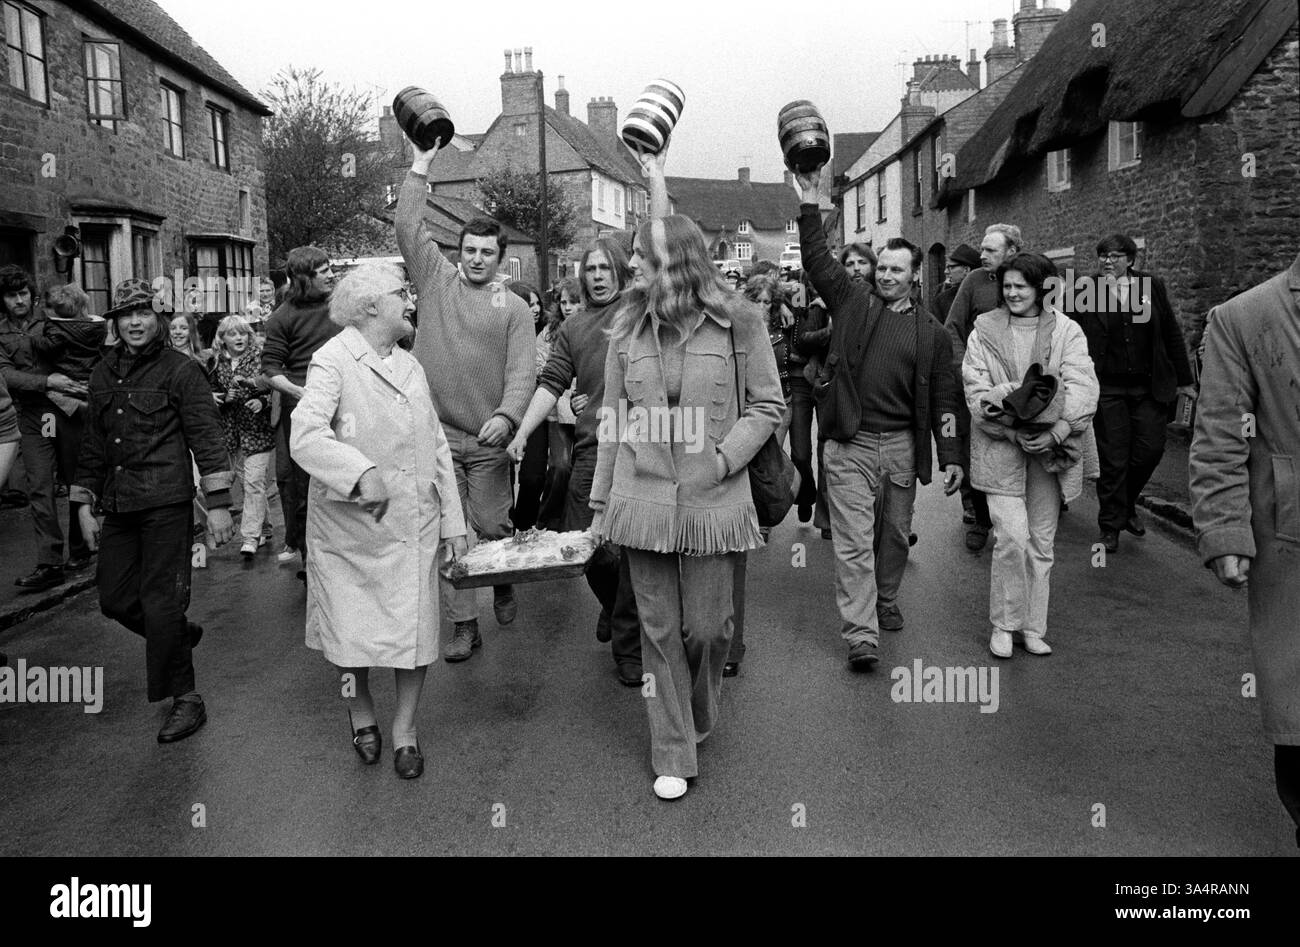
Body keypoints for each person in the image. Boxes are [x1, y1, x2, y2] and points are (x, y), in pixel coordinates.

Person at [589, 212, 784, 801]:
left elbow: (769, 406)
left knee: (707, 629)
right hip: (641, 498)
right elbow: (613, 422)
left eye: (641, 260)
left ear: (674, 264)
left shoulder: (739, 323)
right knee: (658, 628)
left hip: (714, 499)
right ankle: (671, 747)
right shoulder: (625, 330)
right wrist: (600, 505)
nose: (630, 268)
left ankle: (695, 716)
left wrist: (725, 460)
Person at [290, 264, 467, 779]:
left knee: (414, 634)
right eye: (400, 293)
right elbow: (305, 435)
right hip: (351, 530)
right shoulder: (332, 360)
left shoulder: (411, 366)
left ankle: (405, 731)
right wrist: (360, 471)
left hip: (413, 525)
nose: (409, 300)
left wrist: (454, 521)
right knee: (350, 635)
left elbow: (435, 447)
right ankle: (361, 713)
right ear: (371, 307)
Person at [794, 166, 963, 669]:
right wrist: (809, 203)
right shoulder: (850, 301)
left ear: (915, 275)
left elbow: (947, 401)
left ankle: (886, 597)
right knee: (851, 544)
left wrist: (951, 453)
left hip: (902, 447)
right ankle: (861, 633)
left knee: (893, 536)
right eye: (882, 268)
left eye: (896, 270)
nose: (886, 276)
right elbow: (817, 259)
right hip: (850, 443)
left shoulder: (932, 335)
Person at [72, 279, 235, 743]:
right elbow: (93, 445)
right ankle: (178, 635)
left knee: (162, 603)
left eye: (143, 313)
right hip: (120, 504)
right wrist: (84, 504)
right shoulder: (102, 374)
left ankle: (186, 699)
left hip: (167, 501)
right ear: (115, 323)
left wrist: (219, 506)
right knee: (115, 599)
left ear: (159, 318)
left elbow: (207, 437)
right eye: (125, 316)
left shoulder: (181, 371)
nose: (134, 323)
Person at [397, 136, 535, 663]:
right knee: (449, 533)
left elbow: (522, 373)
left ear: (501, 259)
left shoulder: (514, 308)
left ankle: (501, 578)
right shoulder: (435, 281)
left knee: (493, 525)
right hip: (438, 438)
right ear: (458, 253)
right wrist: (421, 165)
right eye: (469, 251)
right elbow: (409, 227)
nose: (476, 260)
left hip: (487, 437)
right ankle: (463, 625)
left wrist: (508, 416)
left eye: (487, 253)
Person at [1189, 252, 1300, 848]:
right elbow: (1221, 432)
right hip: (1291, 539)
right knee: (1298, 710)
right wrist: (1225, 529)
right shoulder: (1244, 317)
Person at [507, 239, 644, 686]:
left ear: (622, 271)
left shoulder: (640, 312)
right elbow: (550, 383)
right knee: (590, 549)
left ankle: (629, 644)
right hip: (592, 450)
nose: (599, 276)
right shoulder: (575, 327)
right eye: (591, 269)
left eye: (606, 268)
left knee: (638, 552)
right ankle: (614, 606)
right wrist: (524, 432)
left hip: (645, 448)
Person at [962, 253, 1099, 658]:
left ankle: (1032, 627)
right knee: (1011, 537)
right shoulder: (982, 332)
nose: (1013, 292)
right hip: (1001, 448)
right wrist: (1008, 426)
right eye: (1007, 285)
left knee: (1041, 542)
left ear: (1041, 287)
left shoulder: (1066, 330)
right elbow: (976, 391)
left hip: (1051, 454)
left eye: (1021, 285)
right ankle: (1004, 625)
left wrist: (1058, 430)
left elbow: (1082, 384)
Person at [1065, 234, 1197, 553]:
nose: (1107, 261)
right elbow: (1065, 330)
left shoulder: (1151, 287)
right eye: (1102, 256)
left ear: (1130, 259)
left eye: (1114, 256)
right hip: (1107, 388)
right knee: (1113, 459)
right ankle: (1110, 526)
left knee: (1150, 450)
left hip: (1148, 387)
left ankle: (1124, 506)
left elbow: (1171, 334)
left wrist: (1185, 379)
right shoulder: (1085, 289)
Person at [0, 266, 93, 591]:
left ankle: (81, 549)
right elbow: (5, 374)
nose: (19, 301)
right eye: (11, 296)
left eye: (23, 293)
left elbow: (85, 347)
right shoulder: (0, 333)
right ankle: (49, 563)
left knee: (76, 480)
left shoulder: (53, 320)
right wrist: (45, 381)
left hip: (67, 411)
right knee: (39, 487)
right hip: (33, 416)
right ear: (4, 300)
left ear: (32, 295)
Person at [261, 247, 341, 577]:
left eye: (330, 268)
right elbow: (270, 367)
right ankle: (313, 563)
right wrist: (298, 391)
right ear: (303, 278)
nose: (331, 275)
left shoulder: (342, 305)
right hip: (304, 406)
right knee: (306, 488)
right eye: (323, 271)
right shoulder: (282, 316)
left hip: (347, 401)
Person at [945, 225, 1023, 552]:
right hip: (978, 382)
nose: (982, 255)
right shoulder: (974, 281)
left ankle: (1018, 515)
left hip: (1021, 384)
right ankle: (980, 518)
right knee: (978, 451)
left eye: (991, 250)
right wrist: (968, 370)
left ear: (1012, 252)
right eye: (983, 249)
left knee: (1017, 449)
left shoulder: (1030, 278)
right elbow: (952, 327)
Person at [211, 315, 276, 558]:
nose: (239, 338)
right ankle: (266, 528)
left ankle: (249, 536)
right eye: (233, 334)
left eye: (243, 333)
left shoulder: (260, 358)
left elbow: (275, 388)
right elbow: (211, 390)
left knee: (253, 481)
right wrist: (219, 398)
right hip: (233, 432)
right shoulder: (217, 362)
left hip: (258, 431)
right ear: (223, 339)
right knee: (251, 482)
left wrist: (261, 401)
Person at [509, 281, 551, 531]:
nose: (535, 309)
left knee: (533, 476)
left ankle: (525, 526)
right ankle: (506, 528)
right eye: (528, 304)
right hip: (508, 409)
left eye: (537, 303)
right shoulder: (505, 332)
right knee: (502, 481)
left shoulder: (548, 331)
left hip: (536, 410)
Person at [934, 244, 980, 340]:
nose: (946, 272)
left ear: (966, 270)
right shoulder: (942, 300)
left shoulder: (986, 296)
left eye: (951, 267)